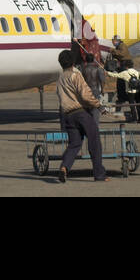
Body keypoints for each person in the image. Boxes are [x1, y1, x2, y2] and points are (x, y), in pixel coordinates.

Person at [54, 48, 107, 182]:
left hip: (68, 115)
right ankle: (99, 175)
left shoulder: (60, 78)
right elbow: (85, 95)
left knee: (74, 144)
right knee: (94, 141)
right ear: (73, 62)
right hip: (80, 113)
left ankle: (64, 167)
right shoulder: (75, 75)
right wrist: (98, 105)